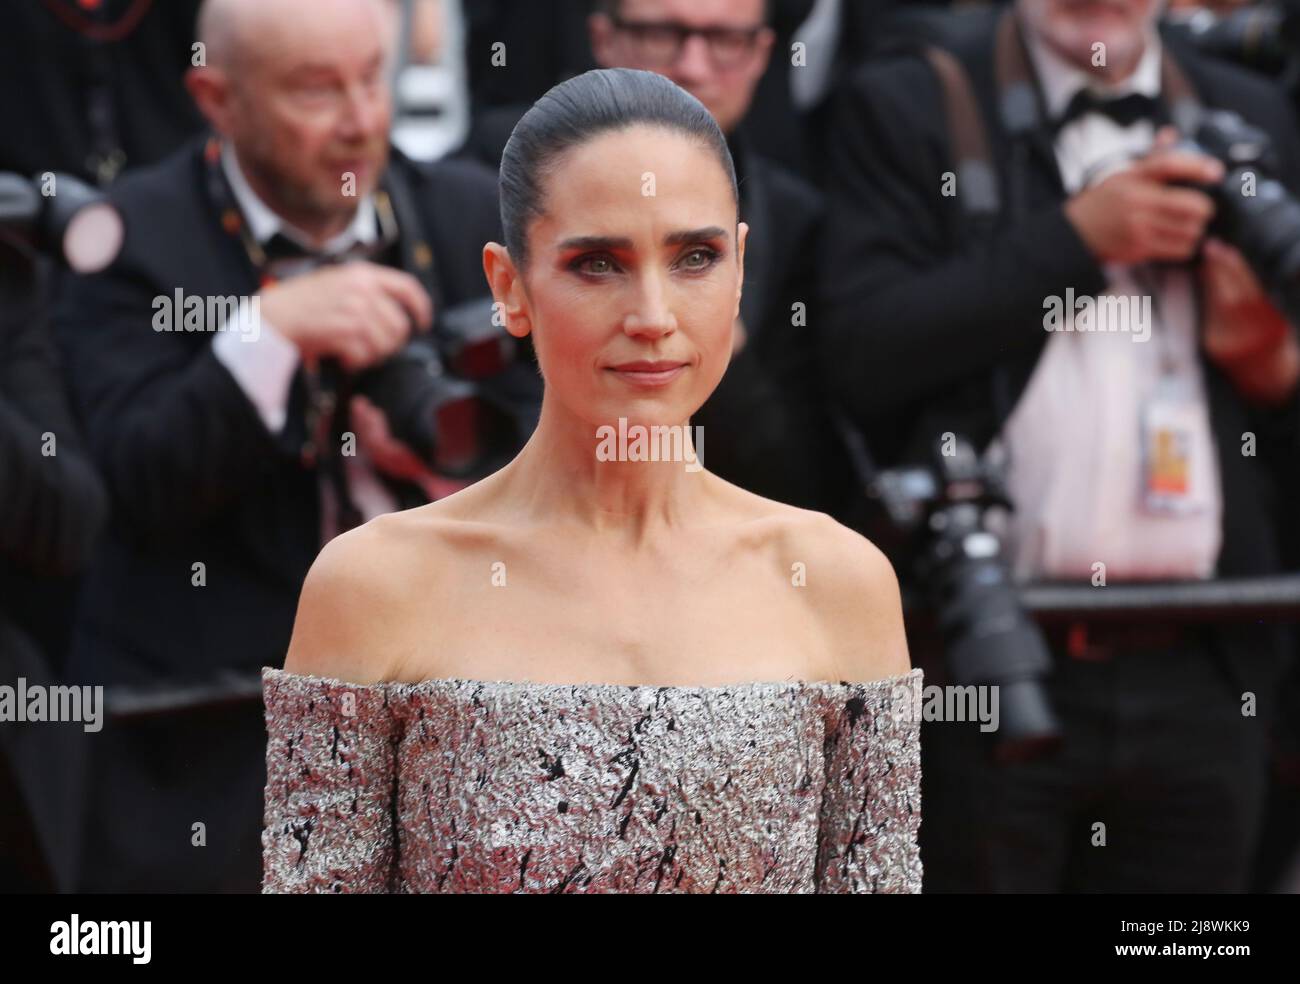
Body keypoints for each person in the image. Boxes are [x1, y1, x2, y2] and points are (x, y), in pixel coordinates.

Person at [262, 67, 922, 893]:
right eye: (599, 264)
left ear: (742, 267)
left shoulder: (837, 581)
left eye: (694, 257)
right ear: (510, 285)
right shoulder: (374, 585)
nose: (652, 315)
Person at [820, 0, 1300, 891]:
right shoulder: (914, 100)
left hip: (1210, 660)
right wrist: (1074, 241)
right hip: (987, 660)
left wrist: (1275, 369)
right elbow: (857, 356)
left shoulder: (1258, 111)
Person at [54, 0, 506, 892]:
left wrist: (442, 471)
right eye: (315, 89)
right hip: (202, 748)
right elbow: (131, 486)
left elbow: (560, 459)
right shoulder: (127, 240)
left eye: (372, 77)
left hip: (453, 720)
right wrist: (261, 340)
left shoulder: (466, 215)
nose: (359, 119)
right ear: (216, 98)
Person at [458, 0, 852, 516]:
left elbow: (800, 471)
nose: (692, 66)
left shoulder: (799, 221)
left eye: (696, 258)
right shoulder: (482, 181)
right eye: (598, 262)